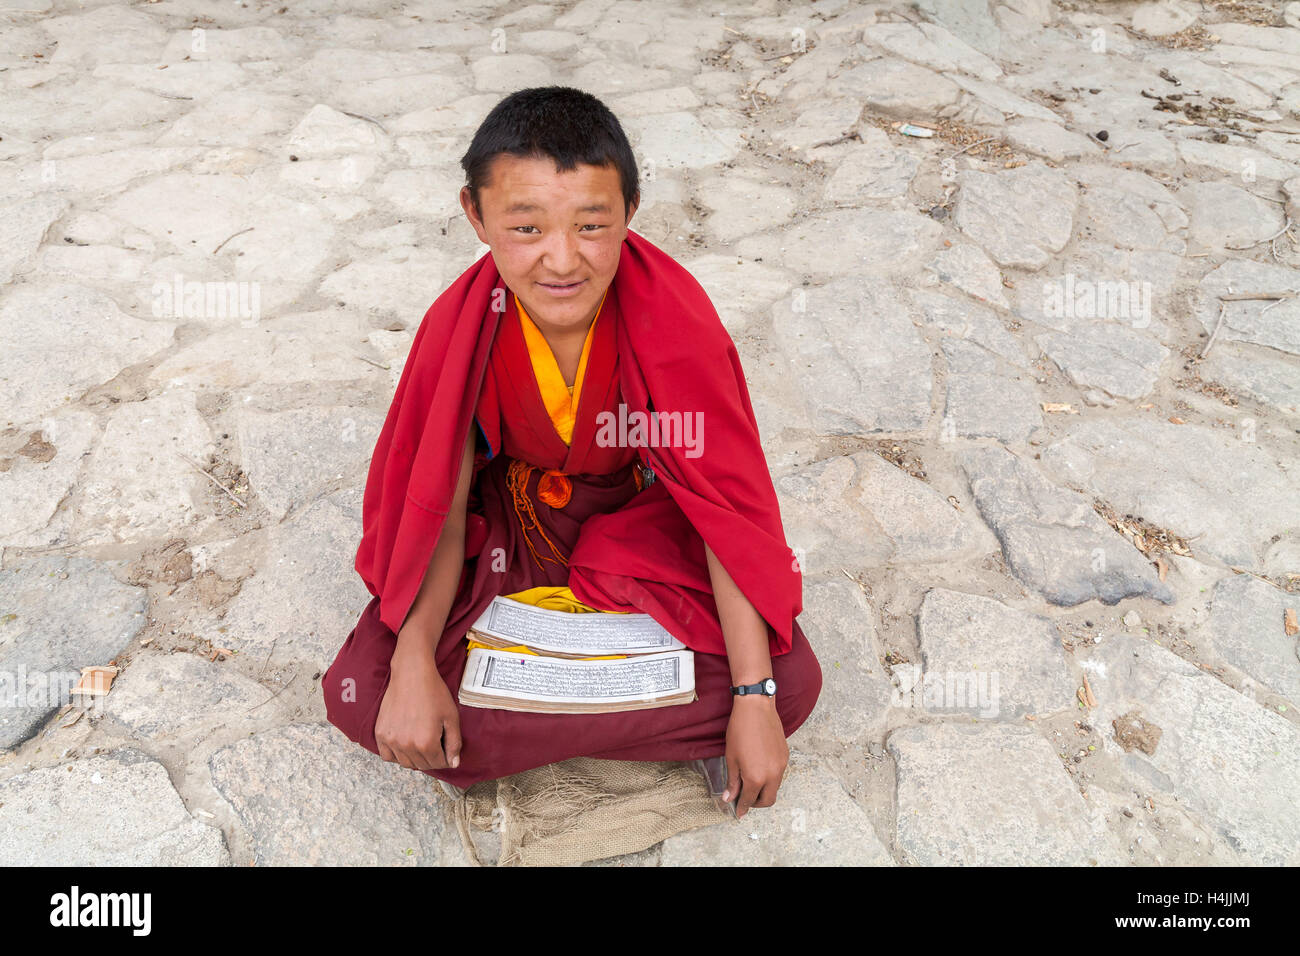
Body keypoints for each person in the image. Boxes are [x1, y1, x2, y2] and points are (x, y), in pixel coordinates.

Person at [322, 86, 822, 819]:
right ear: (476, 216)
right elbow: (440, 509)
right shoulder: (462, 327)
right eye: (525, 227)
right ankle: (663, 722)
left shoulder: (671, 319)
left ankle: (546, 723)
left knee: (791, 682)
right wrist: (412, 662)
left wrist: (752, 696)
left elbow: (723, 509)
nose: (562, 261)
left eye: (592, 225)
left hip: (642, 523)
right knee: (363, 693)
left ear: (630, 211)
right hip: (512, 530)